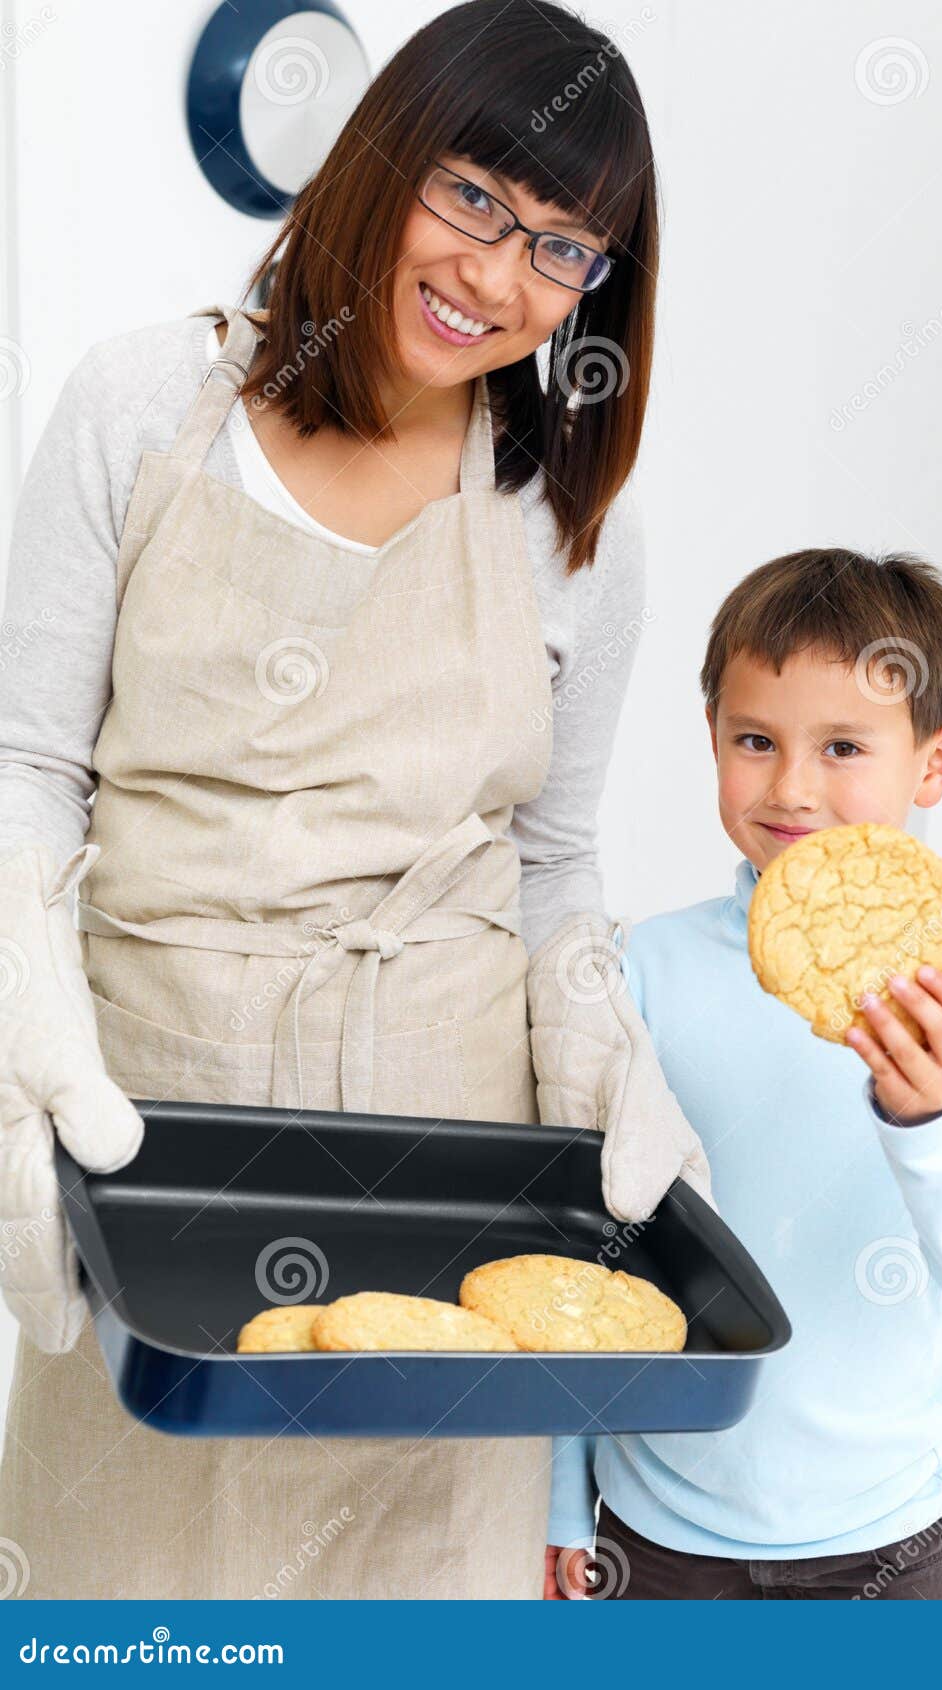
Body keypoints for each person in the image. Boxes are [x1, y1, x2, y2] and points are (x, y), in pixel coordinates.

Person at [0, 1, 705, 1600]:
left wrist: (594, 1026)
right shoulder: (139, 408)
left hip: (440, 1182)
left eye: (562, 248)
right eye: (469, 196)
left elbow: (554, 851)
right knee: (128, 1584)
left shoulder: (571, 517)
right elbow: (26, 766)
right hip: (154, 1146)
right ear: (380, 158)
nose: (495, 277)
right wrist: (19, 1014)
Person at [544, 549, 942, 1601]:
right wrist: (565, 1494)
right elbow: (583, 1253)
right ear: (713, 740)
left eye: (842, 746)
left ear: (934, 760)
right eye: (755, 740)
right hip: (662, 1528)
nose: (791, 787)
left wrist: (934, 1120)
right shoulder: (640, 969)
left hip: (892, 1531)